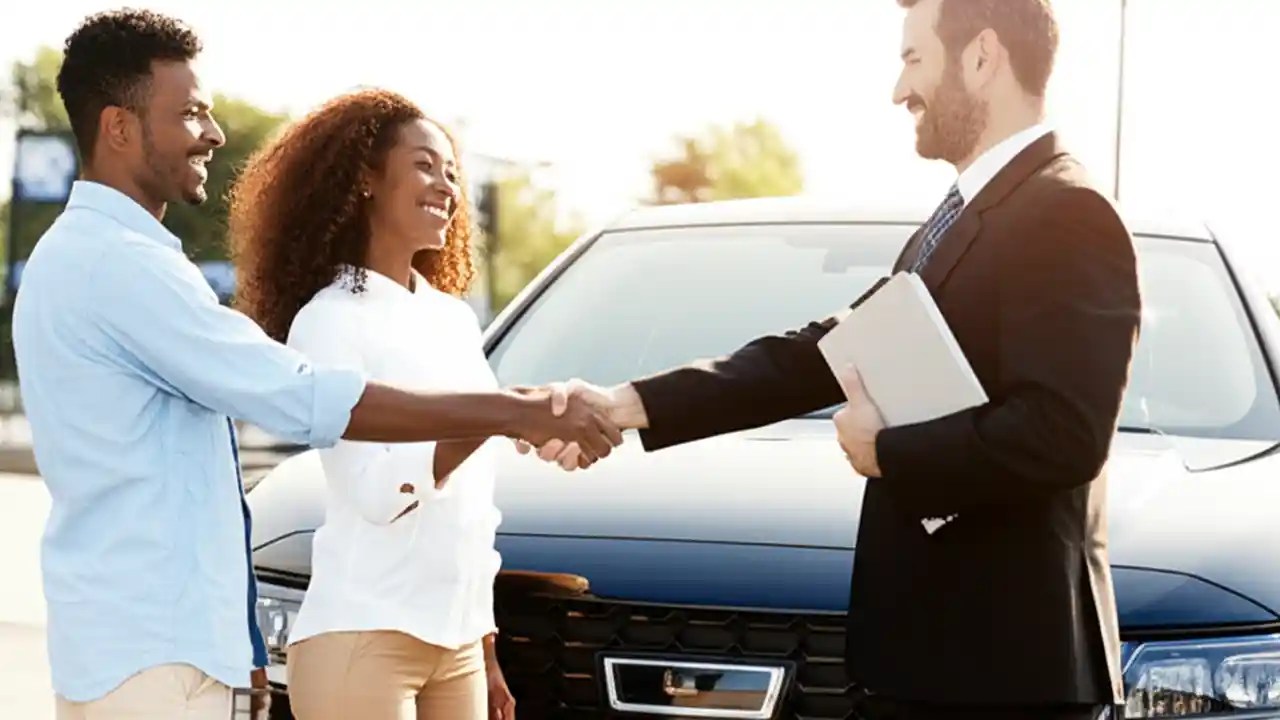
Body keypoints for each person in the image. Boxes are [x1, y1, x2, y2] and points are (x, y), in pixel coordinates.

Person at [524, 0, 1140, 718]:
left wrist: (889, 452)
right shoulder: (968, 215)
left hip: (1002, 677)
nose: (898, 90)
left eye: (913, 59)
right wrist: (628, 404)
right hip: (934, 667)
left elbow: (1063, 433)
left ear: (982, 56)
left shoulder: (1067, 212)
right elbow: (825, 352)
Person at [11, 10, 618, 720]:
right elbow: (305, 399)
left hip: (153, 646)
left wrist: (240, 648)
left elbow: (186, 487)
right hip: (154, 658)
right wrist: (513, 410)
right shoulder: (122, 268)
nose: (212, 133)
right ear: (119, 126)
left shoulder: (94, 258)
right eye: (192, 114)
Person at [227, 89, 514, 720]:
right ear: (364, 180)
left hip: (458, 645)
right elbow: (379, 491)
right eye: (424, 165)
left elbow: (473, 511)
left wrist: (486, 650)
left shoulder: (454, 320)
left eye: (452, 173)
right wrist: (497, 414)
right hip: (362, 636)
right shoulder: (328, 320)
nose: (446, 185)